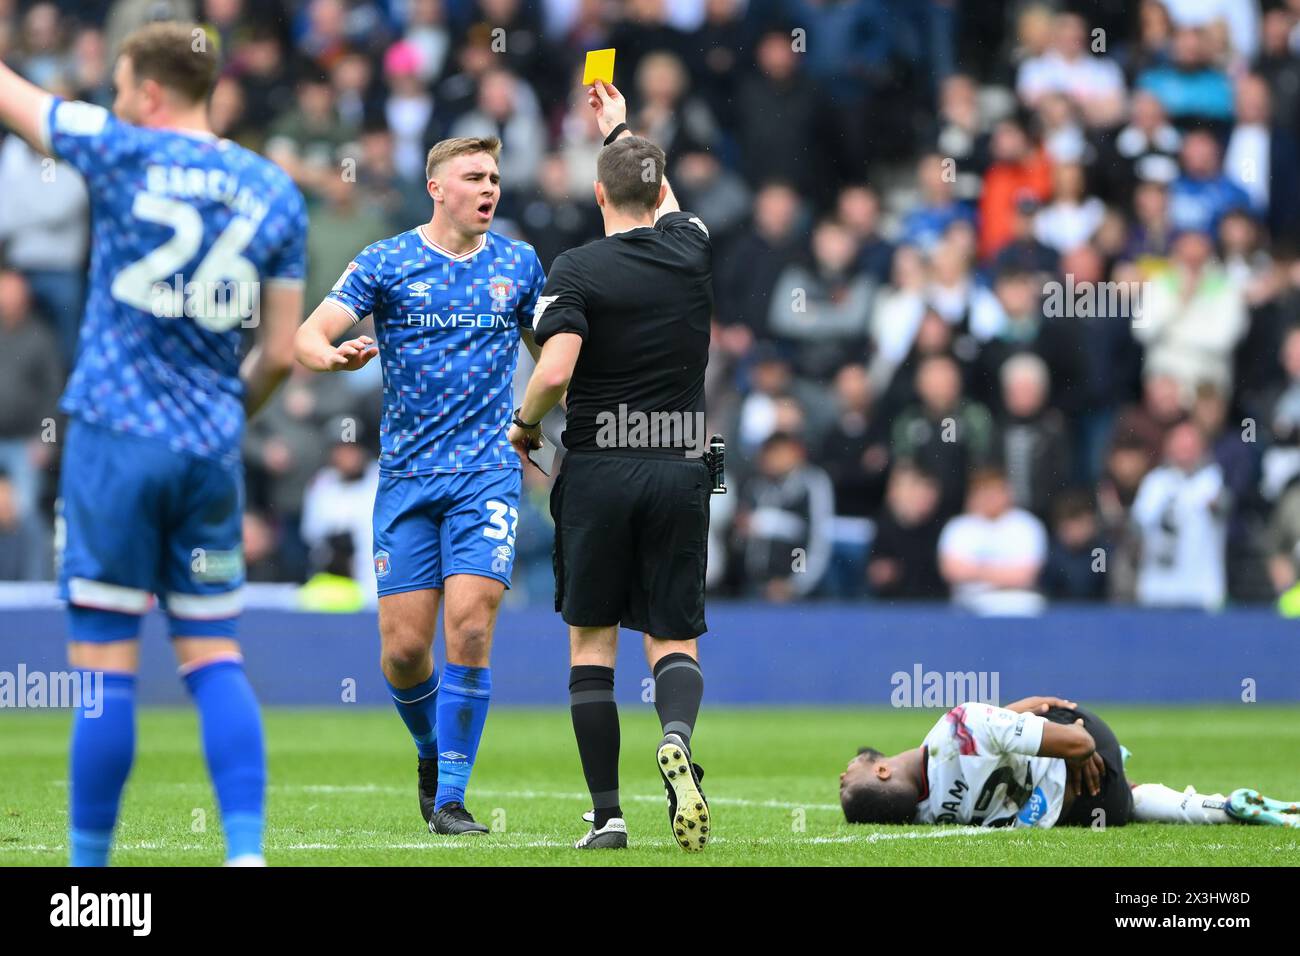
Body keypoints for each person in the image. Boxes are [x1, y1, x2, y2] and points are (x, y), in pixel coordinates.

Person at [0, 21, 307, 866]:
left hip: (113, 442)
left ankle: (89, 877)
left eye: (119, 85)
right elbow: (280, 352)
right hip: (209, 452)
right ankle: (246, 857)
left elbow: (17, 100)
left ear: (147, 92)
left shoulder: (120, 146)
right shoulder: (274, 188)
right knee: (214, 655)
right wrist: (224, 418)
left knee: (104, 667)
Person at [294, 135, 546, 837]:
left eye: (495, 175)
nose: (489, 187)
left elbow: (553, 352)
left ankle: (454, 799)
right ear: (438, 188)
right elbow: (309, 335)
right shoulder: (388, 261)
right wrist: (332, 359)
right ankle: (431, 753)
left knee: (470, 626)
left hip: (487, 477)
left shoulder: (519, 264)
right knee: (405, 651)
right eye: (474, 176)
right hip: (407, 479)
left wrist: (553, 412)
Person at [508, 80, 713, 852]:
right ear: (661, 190)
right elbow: (662, 199)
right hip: (680, 465)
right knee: (673, 637)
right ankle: (679, 741)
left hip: (598, 466)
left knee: (592, 643)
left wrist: (524, 427)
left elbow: (556, 369)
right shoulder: (691, 247)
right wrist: (624, 130)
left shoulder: (577, 270)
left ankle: (608, 815)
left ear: (597, 193)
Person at [840, 696, 1298, 829]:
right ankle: (1222, 807)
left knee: (1127, 800)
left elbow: (978, 750)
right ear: (880, 769)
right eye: (844, 784)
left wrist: (1015, 712)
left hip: (1087, 808)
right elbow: (1078, 744)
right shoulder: (961, 726)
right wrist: (1066, 750)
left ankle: (1219, 807)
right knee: (1072, 743)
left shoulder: (926, 813)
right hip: (1091, 751)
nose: (841, 777)